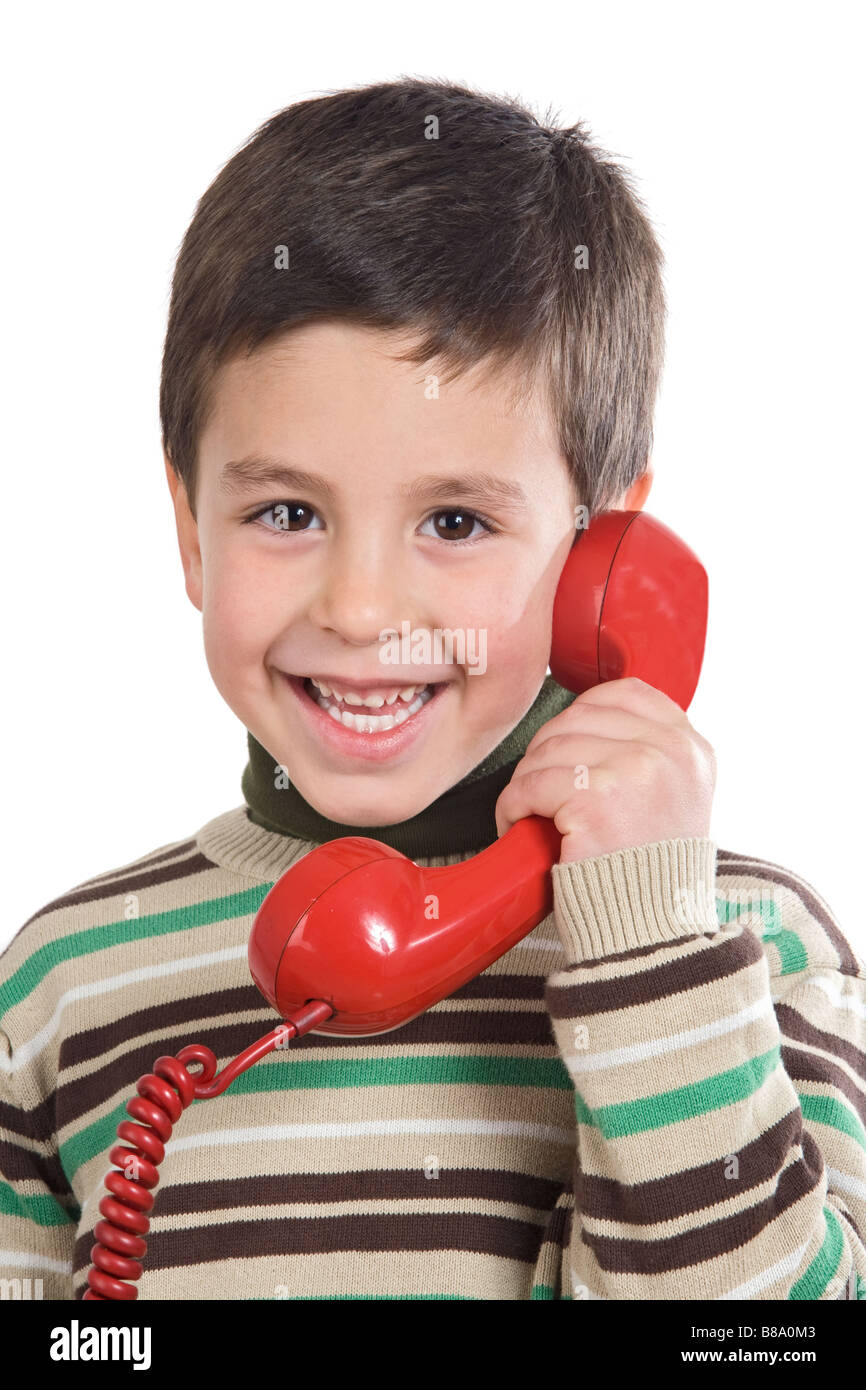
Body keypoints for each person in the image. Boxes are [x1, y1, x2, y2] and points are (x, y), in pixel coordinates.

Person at [2, 78, 863, 1302]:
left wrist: (648, 950)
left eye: (454, 521)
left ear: (603, 558)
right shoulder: (61, 989)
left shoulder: (742, 946)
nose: (361, 610)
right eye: (284, 512)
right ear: (190, 530)